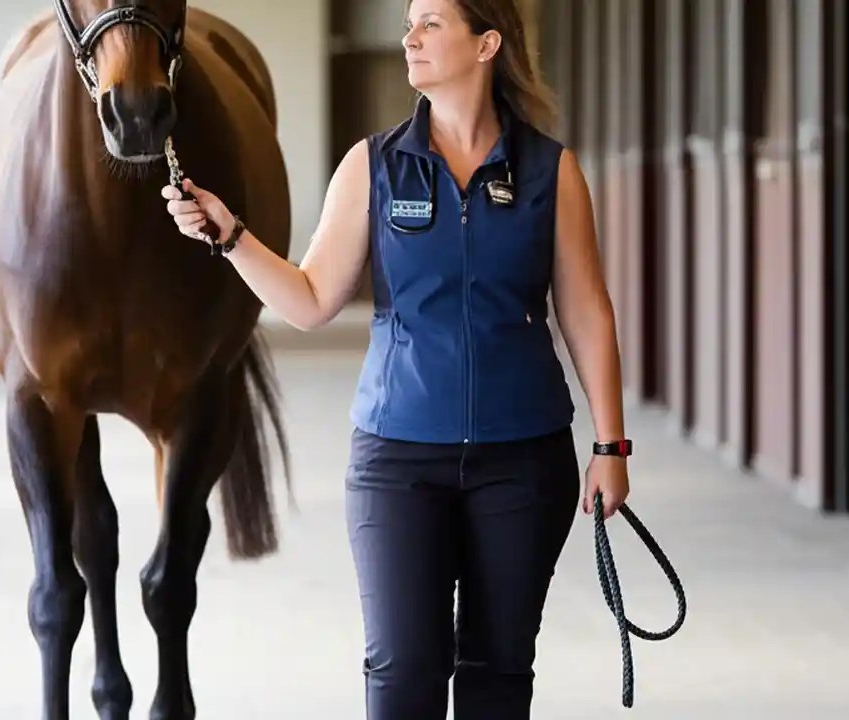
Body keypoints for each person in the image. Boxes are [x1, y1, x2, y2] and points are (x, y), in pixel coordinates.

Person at [161, 1, 631, 716]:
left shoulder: (550, 172)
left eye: (431, 23)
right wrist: (232, 237)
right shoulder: (374, 165)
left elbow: (587, 311)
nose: (408, 37)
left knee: (499, 669)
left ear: (487, 43)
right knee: (402, 667)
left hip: (524, 461)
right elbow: (313, 298)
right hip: (397, 460)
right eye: (408, 22)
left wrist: (610, 445)